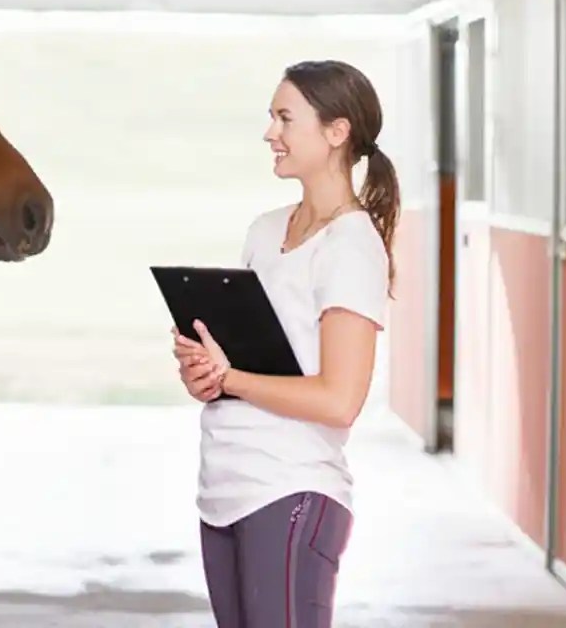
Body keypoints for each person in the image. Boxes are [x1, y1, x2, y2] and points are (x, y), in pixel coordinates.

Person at [171, 59, 399, 628]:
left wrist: (232, 379)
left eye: (284, 118)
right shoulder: (265, 230)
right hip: (225, 486)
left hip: (291, 489)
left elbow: (338, 400)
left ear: (336, 131)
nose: (270, 132)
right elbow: (249, 363)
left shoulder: (350, 247)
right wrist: (205, 374)